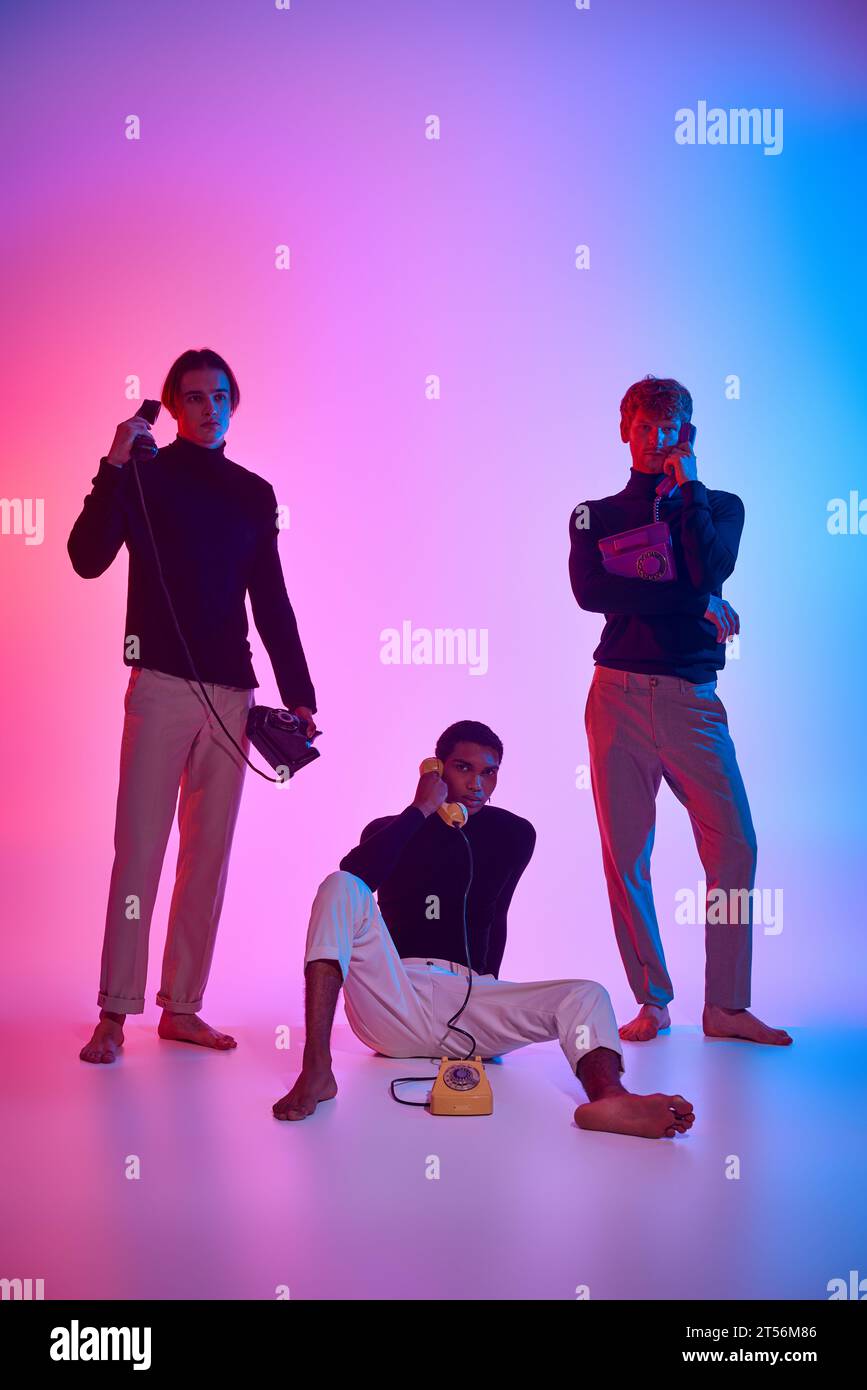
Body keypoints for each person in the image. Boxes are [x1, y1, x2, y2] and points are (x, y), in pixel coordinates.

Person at [69, 348, 318, 1064]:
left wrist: (297, 694)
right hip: (160, 686)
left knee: (206, 859)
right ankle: (116, 1012)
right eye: (194, 396)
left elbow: (270, 600)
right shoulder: (145, 476)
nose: (209, 408)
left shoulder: (252, 492)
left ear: (234, 402)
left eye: (220, 396)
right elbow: (86, 557)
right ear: (171, 407)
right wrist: (113, 465)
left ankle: (182, 1007)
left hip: (231, 695)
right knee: (139, 852)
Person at [273, 720, 696, 1139]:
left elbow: (493, 916)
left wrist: (492, 996)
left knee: (587, 994)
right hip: (394, 997)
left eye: (488, 772)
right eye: (463, 768)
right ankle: (316, 1068)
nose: (477, 783)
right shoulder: (387, 830)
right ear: (435, 769)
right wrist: (420, 809)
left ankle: (609, 1097)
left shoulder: (513, 833)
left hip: (473, 1002)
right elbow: (356, 874)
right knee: (341, 886)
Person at [569, 374, 791, 1046]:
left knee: (735, 846)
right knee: (626, 855)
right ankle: (652, 999)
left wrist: (686, 488)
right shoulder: (592, 513)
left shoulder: (719, 505)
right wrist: (692, 603)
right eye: (643, 426)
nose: (654, 439)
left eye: (669, 428)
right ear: (623, 430)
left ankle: (724, 1006)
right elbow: (591, 591)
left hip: (692, 702)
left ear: (686, 435)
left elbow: (709, 567)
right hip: (617, 695)